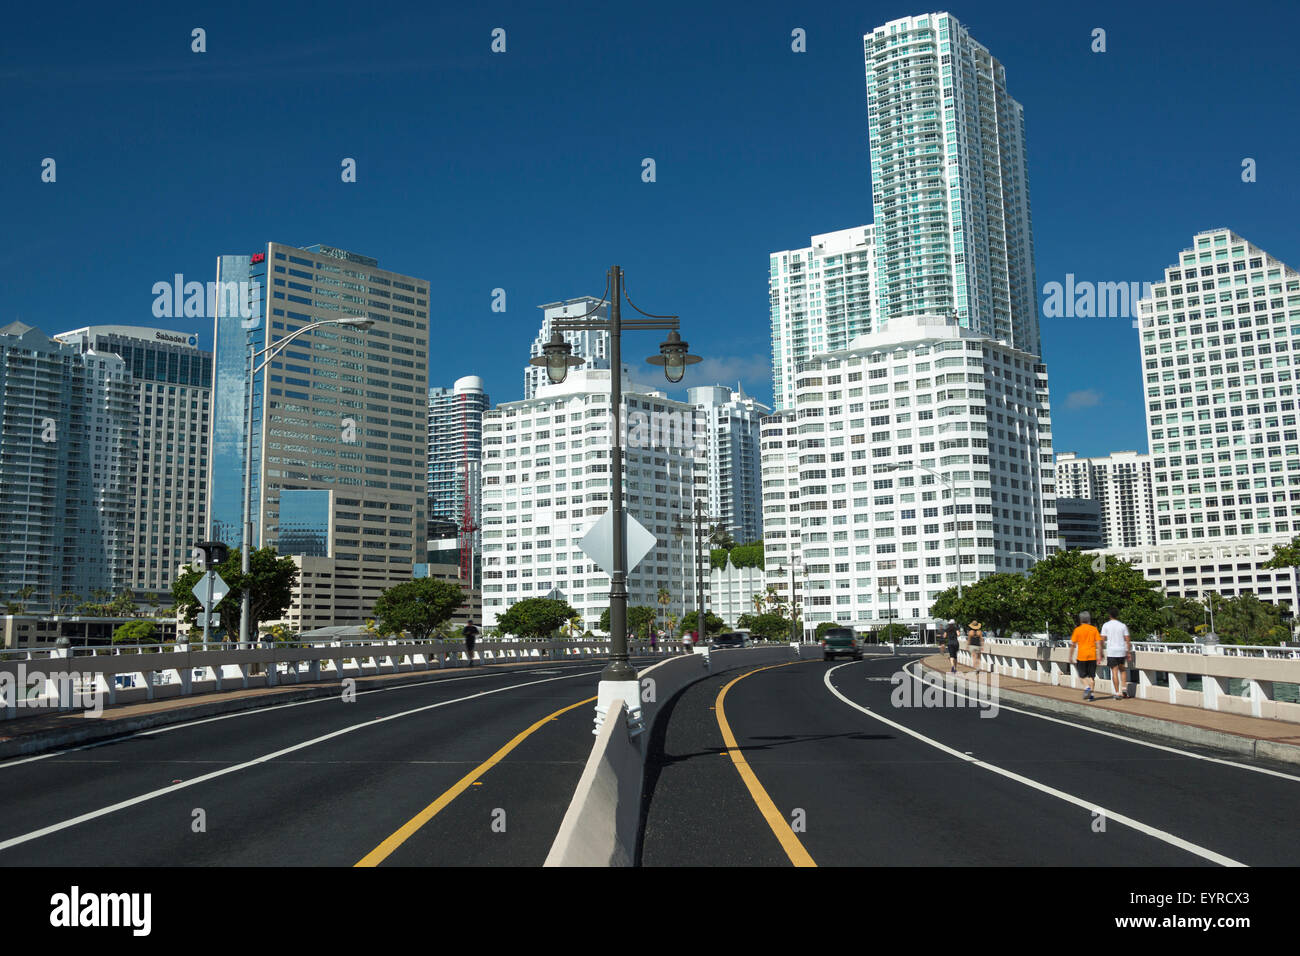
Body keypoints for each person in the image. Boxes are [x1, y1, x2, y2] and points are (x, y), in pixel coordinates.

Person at [1101, 607, 1132, 699]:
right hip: (1121, 650)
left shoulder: (1106, 625)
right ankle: (1124, 689)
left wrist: (1101, 651)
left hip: (1112, 651)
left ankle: (1118, 692)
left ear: (1109, 615)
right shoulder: (1122, 625)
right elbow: (1127, 639)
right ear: (1117, 615)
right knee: (1122, 670)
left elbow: (1102, 639)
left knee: (1114, 671)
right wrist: (1128, 652)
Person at [1070, 612, 1101, 701]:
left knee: (1082, 675)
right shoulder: (1094, 629)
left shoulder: (1077, 630)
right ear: (1089, 619)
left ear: (1080, 620)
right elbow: (1098, 643)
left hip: (1082, 656)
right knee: (1092, 677)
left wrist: (1070, 656)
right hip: (1092, 655)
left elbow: (1073, 644)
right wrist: (1099, 655)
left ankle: (1087, 687)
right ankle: (1092, 695)